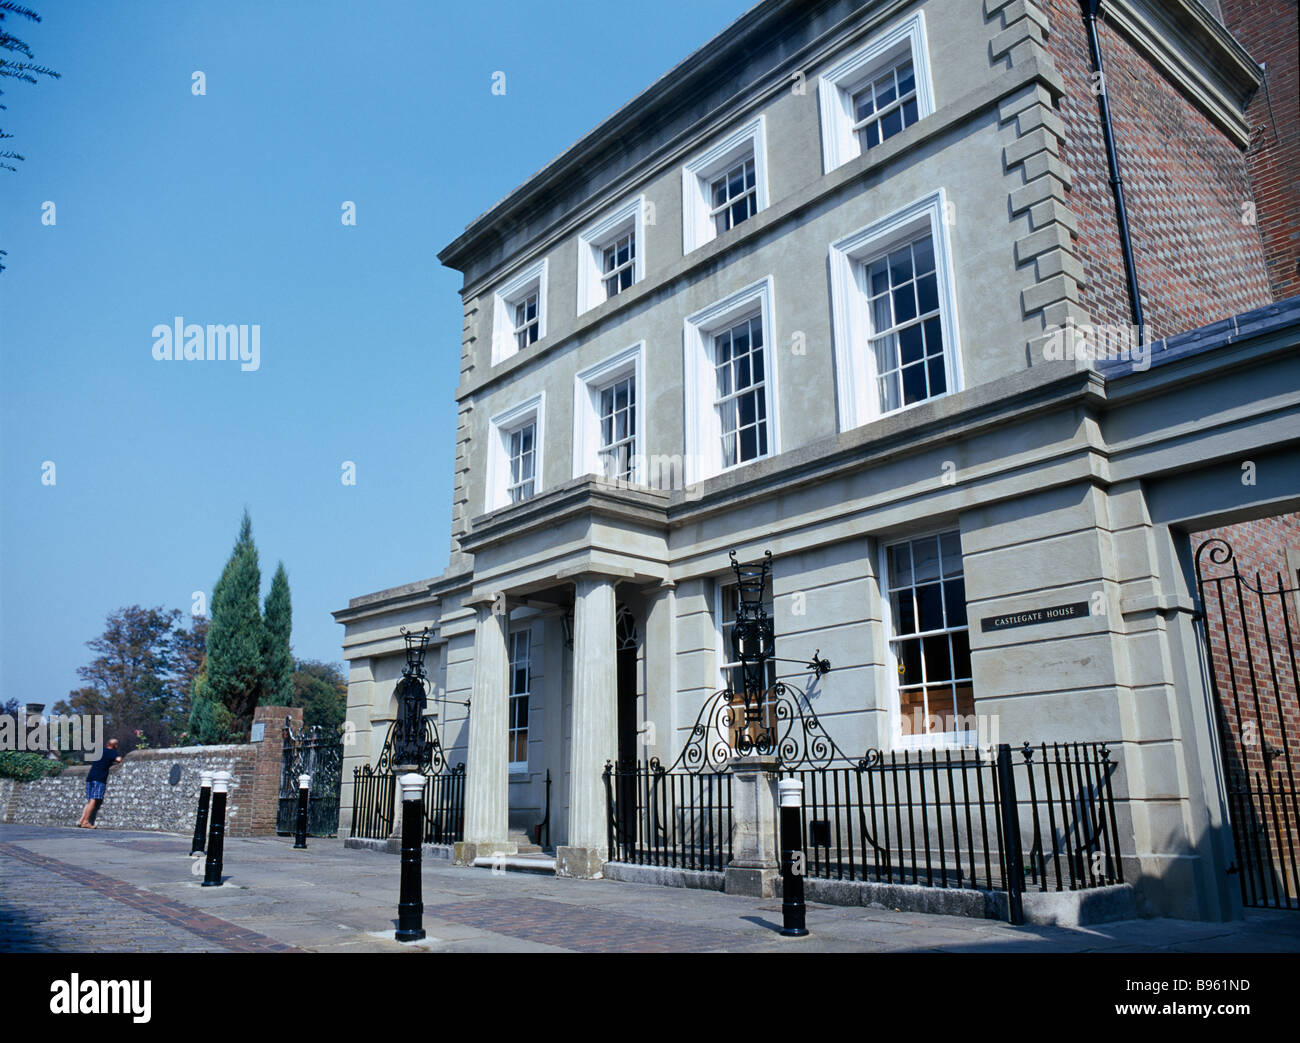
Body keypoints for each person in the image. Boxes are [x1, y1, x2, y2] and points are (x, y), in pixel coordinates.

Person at [77, 738, 122, 828]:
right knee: (94, 799)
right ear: (114, 746)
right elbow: (119, 760)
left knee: (89, 800)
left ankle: (81, 820)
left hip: (90, 777)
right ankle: (86, 821)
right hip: (99, 778)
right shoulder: (112, 752)